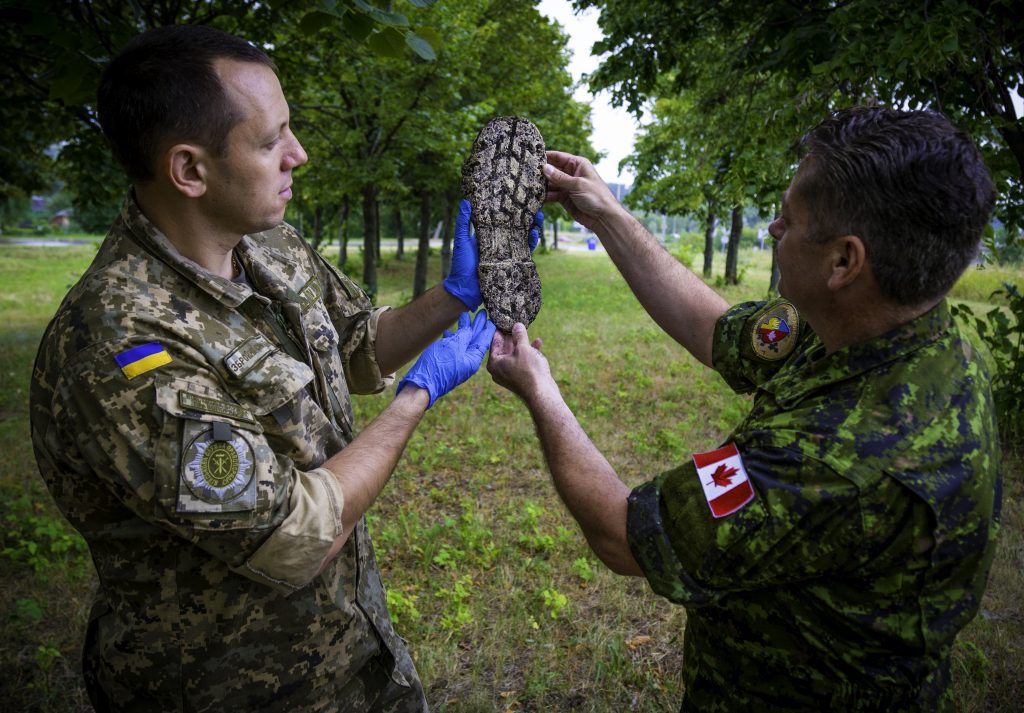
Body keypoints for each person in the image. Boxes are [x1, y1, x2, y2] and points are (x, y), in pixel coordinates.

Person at [29, 24, 519, 712]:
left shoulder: (269, 245)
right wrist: (416, 396)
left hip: (350, 655)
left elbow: (356, 344)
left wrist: (451, 298)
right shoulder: (122, 345)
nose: (300, 155)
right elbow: (293, 534)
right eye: (269, 142)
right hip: (224, 687)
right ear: (190, 170)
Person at [487, 107, 1002, 711]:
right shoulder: (881, 326)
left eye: (791, 218)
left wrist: (538, 389)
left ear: (844, 262)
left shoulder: (839, 459)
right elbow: (719, 334)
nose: (774, 228)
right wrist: (608, 214)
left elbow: (625, 535)